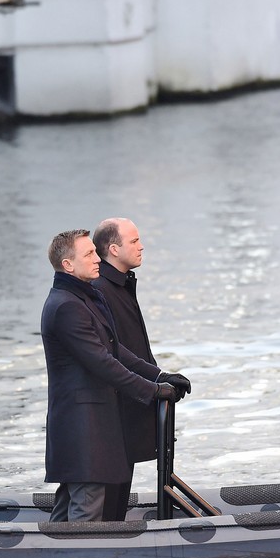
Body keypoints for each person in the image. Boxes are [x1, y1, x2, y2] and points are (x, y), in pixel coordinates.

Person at [41, 229, 190, 522]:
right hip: (82, 429)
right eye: (89, 254)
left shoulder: (82, 297)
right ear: (68, 265)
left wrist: (160, 376)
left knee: (67, 508)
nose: (98, 258)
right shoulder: (67, 306)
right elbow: (103, 363)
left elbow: (115, 349)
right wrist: (154, 391)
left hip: (88, 429)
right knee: (87, 509)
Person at [91, 217, 187, 521]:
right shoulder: (100, 290)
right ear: (114, 249)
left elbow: (127, 347)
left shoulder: (121, 285)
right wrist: (154, 384)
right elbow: (111, 352)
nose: (141, 246)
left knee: (119, 491)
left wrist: (159, 375)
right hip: (113, 412)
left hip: (131, 404)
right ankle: (105, 550)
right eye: (134, 241)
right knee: (108, 501)